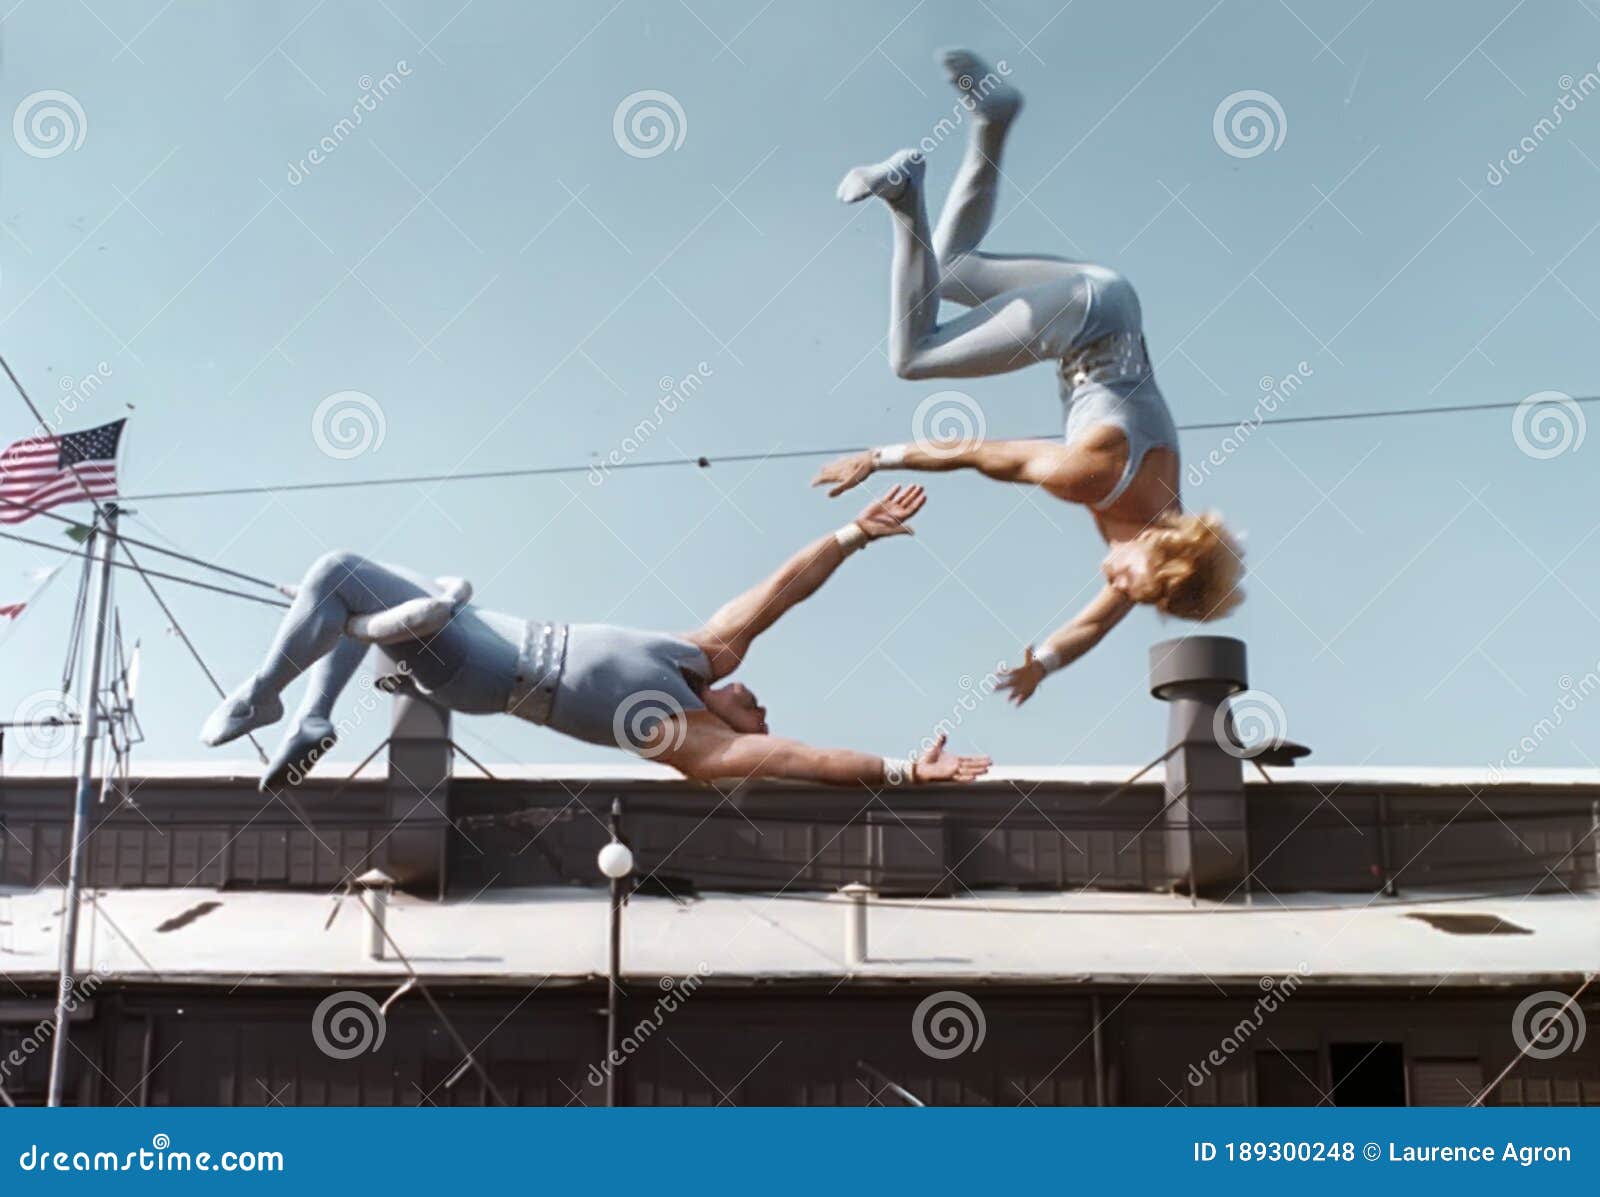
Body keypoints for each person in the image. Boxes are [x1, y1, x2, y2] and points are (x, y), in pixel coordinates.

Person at [817, 49, 1243, 705]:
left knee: (951, 269)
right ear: (1158, 557)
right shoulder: (1094, 478)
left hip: (1106, 302)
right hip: (1084, 319)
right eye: (1136, 586)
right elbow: (985, 453)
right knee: (914, 358)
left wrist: (1042, 663)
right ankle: (904, 192)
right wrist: (878, 457)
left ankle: (993, 117)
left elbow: (1093, 623)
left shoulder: (1152, 535)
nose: (1122, 591)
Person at [201, 485, 991, 790]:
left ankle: (268, 693)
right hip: (482, 627)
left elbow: (807, 760)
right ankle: (312, 712)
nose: (762, 703)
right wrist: (855, 531)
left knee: (341, 573)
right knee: (347, 595)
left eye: (763, 713)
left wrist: (903, 770)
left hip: (486, 673)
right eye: (761, 704)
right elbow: (783, 590)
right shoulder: (702, 653)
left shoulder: (702, 745)